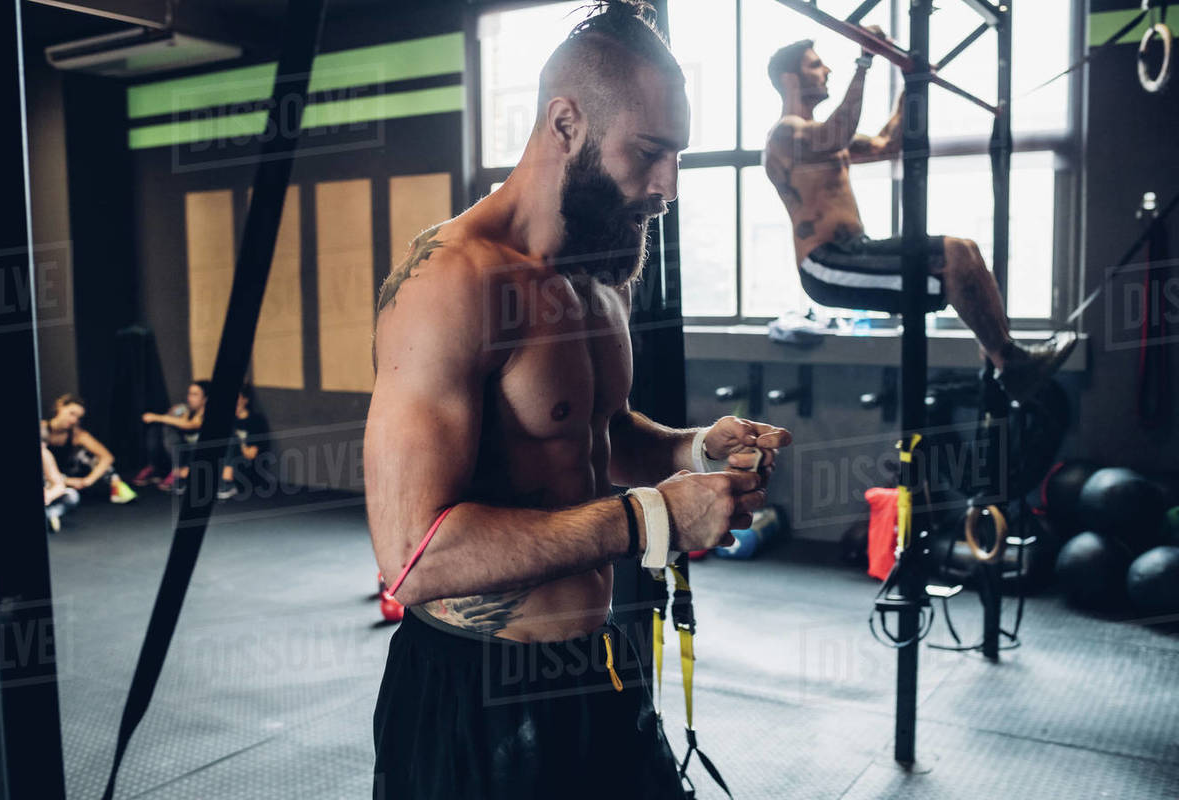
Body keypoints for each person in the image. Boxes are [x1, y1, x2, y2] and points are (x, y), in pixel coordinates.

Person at [365, 3, 791, 797]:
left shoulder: (597, 275)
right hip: (475, 691)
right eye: (649, 153)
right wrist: (655, 518)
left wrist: (695, 448)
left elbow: (596, 433)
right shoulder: (451, 283)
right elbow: (411, 558)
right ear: (566, 122)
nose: (667, 186)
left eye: (678, 156)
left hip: (598, 660)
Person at [763, 34, 1077, 401]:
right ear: (789, 79)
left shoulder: (819, 137)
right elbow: (836, 133)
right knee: (954, 256)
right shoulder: (786, 134)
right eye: (816, 65)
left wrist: (912, 84)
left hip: (853, 250)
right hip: (825, 263)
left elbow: (887, 144)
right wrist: (864, 62)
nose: (827, 70)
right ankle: (1010, 363)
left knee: (965, 251)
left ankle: (1007, 360)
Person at [41, 394, 137, 504]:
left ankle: (117, 488)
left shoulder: (77, 434)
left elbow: (107, 457)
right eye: (71, 414)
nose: (73, 420)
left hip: (68, 472)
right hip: (49, 477)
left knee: (87, 456)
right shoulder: (42, 428)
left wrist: (87, 481)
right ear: (60, 407)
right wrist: (66, 481)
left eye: (78, 417)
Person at [140, 381, 210, 495]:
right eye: (189, 394)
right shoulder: (185, 409)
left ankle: (178, 471)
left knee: (166, 425)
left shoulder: (207, 413)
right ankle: (155, 467)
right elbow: (173, 416)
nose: (190, 398)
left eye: (195, 394)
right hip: (183, 453)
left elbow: (190, 424)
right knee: (157, 429)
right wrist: (173, 413)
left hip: (198, 456)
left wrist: (158, 417)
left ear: (205, 398)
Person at [42, 442, 79, 532]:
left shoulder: (44, 455)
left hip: (47, 498)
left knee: (72, 495)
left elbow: (59, 485)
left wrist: (49, 495)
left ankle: (50, 514)